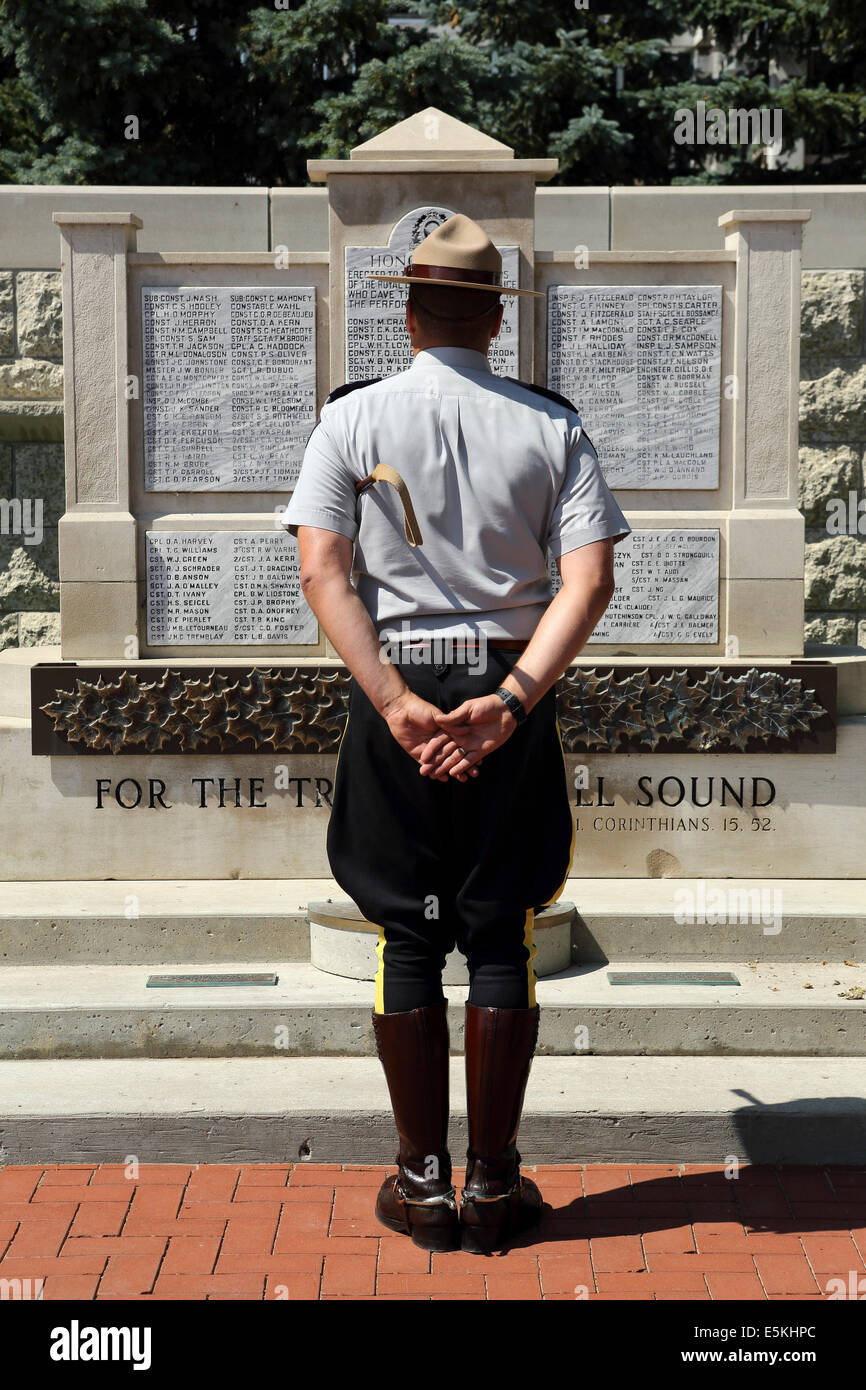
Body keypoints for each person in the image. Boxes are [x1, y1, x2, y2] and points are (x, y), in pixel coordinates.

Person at [280, 213, 630, 1255]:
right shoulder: (549, 424)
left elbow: (321, 572)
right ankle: (492, 1182)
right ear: (492, 318)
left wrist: (393, 702)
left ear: (406, 312)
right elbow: (590, 580)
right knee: (496, 928)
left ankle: (421, 1183)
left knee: (405, 928)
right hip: (501, 684)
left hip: (400, 681)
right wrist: (511, 702)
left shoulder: (351, 422)